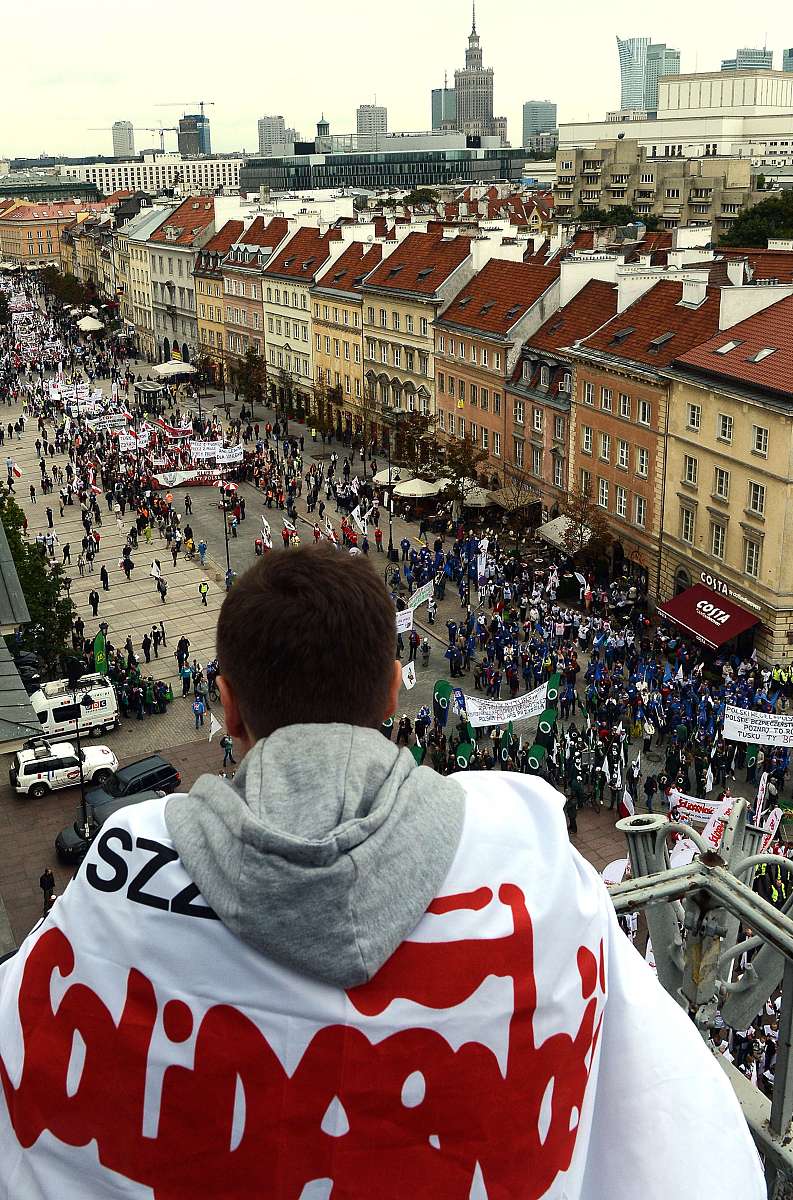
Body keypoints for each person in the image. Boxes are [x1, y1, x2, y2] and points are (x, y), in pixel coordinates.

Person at [0, 547, 765, 1200]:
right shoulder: (532, 856)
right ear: (396, 690)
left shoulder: (120, 864)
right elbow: (678, 1139)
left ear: (227, 710)